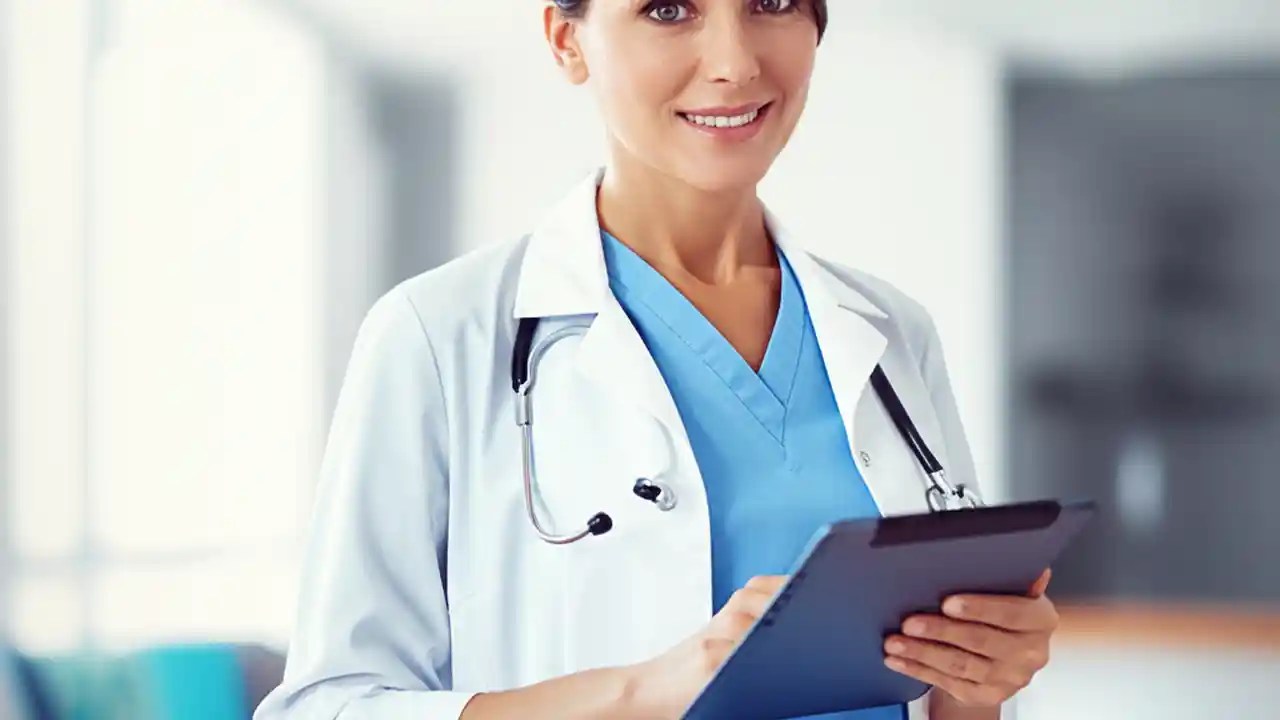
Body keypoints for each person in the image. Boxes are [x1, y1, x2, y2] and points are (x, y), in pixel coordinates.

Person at [255, 1, 1060, 718]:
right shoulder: (437, 336)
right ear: (568, 40)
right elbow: (329, 706)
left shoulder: (891, 331)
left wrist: (975, 684)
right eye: (669, 10)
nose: (735, 61)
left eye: (772, 3)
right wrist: (645, 691)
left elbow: (947, 698)